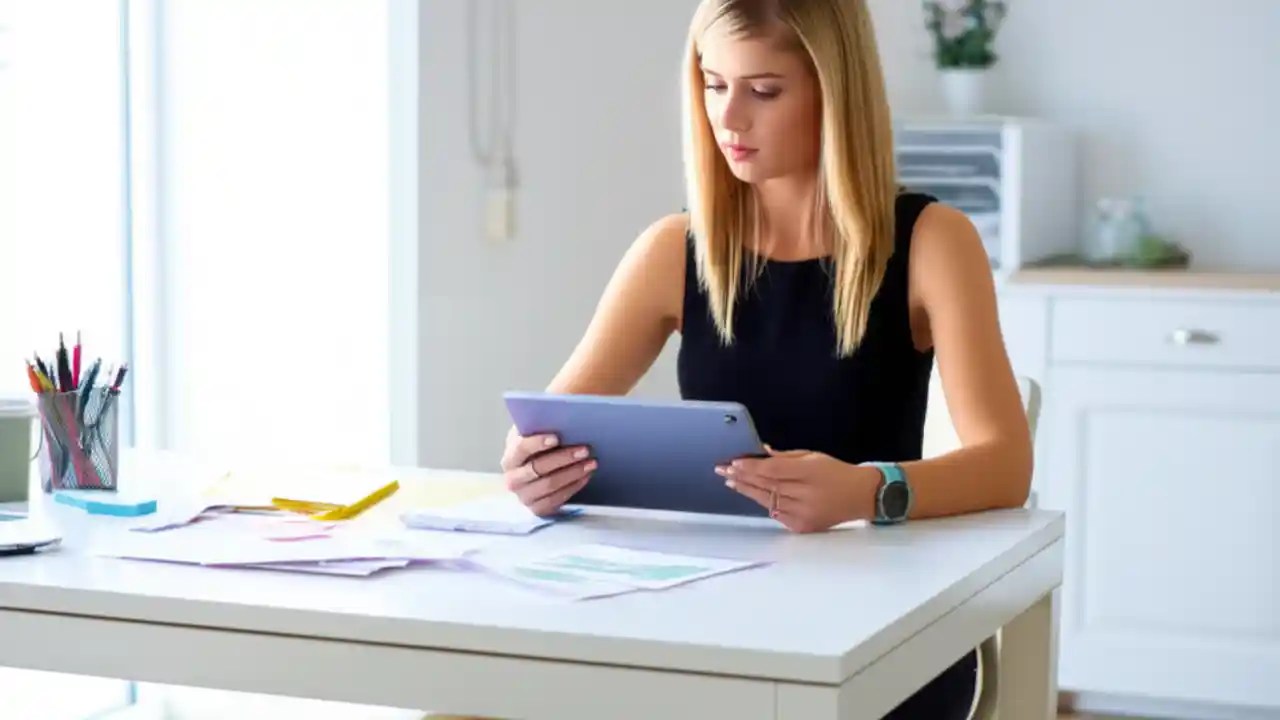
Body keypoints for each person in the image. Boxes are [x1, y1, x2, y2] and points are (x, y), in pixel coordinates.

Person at [498, 0, 1033, 716]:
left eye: (764, 90)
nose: (729, 118)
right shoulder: (673, 250)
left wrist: (866, 491)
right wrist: (530, 467)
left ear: (833, 91)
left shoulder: (933, 242)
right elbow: (547, 421)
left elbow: (1005, 464)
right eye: (714, 85)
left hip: (885, 637)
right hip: (719, 620)